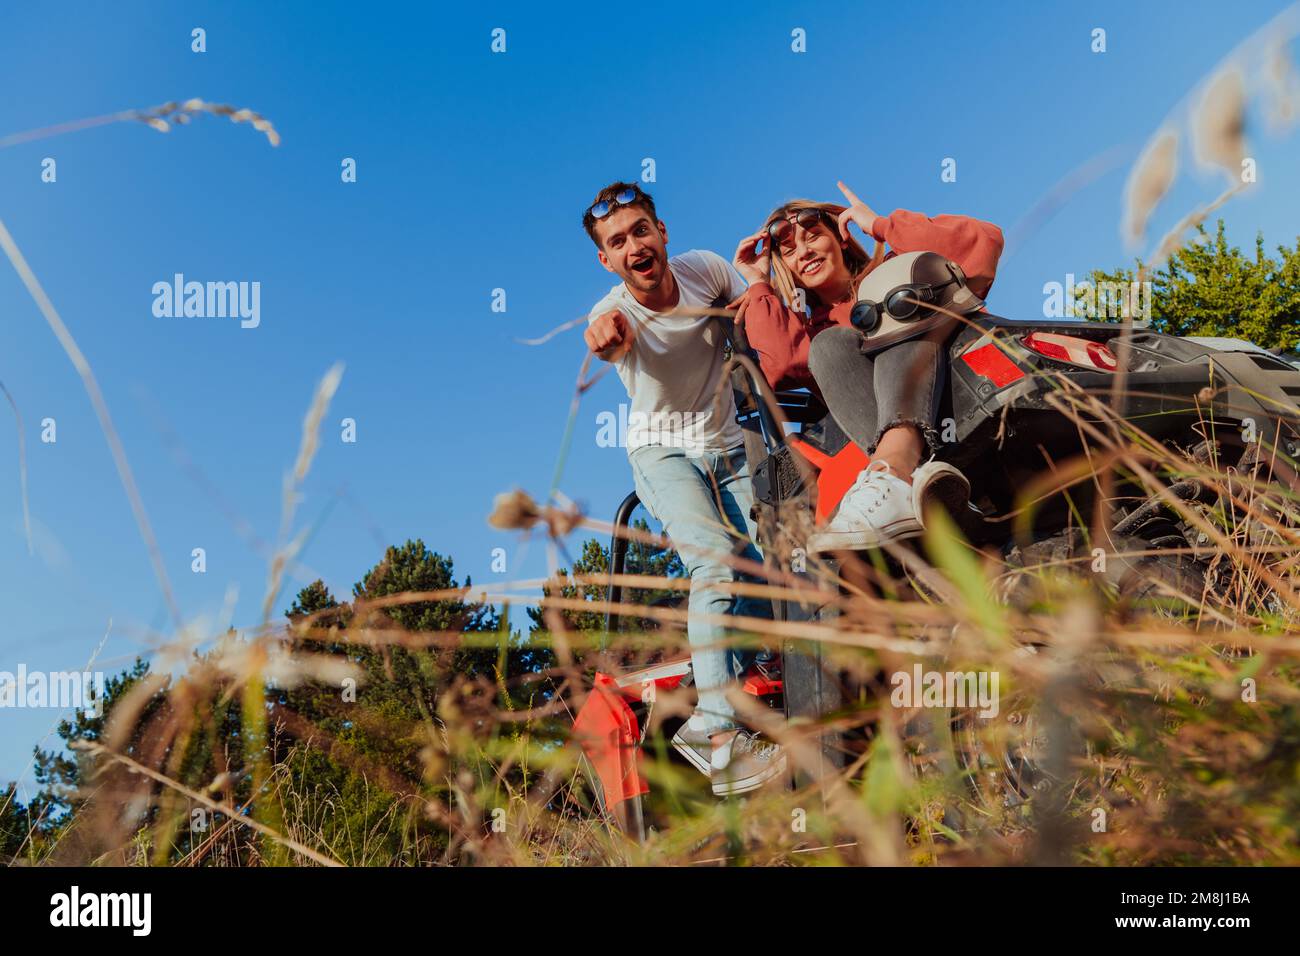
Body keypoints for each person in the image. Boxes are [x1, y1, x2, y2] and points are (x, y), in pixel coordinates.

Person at [581, 181, 786, 795]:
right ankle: (715, 735)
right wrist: (604, 340)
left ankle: (754, 666)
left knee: (781, 569)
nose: (634, 245)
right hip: (662, 451)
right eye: (618, 242)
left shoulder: (705, 272)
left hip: (727, 445)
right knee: (716, 564)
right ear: (607, 261)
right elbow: (601, 336)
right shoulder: (614, 314)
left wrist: (755, 279)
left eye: (641, 230)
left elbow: (754, 308)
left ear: (662, 232)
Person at [732, 181, 1004, 551]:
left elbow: (982, 244)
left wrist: (879, 224)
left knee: (894, 295)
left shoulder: (893, 265)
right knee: (828, 346)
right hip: (892, 437)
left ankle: (893, 472)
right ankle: (911, 482)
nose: (804, 251)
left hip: (960, 394)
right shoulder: (818, 332)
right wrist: (758, 282)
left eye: (813, 235)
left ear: (841, 237)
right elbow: (782, 365)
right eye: (790, 249)